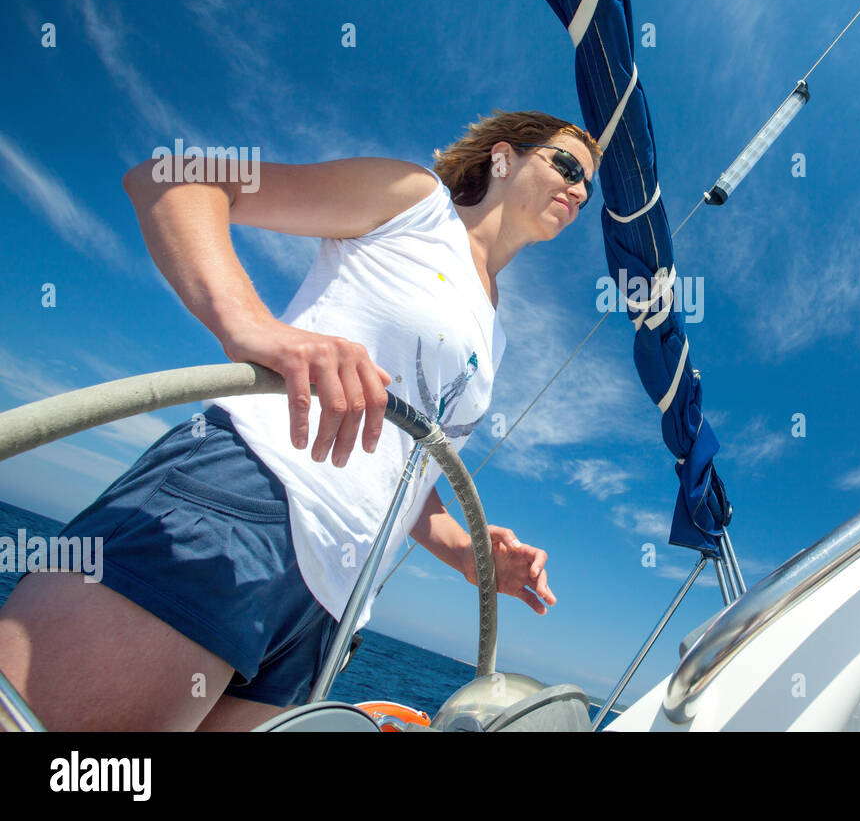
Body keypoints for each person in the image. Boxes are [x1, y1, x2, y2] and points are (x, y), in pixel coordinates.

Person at [0, 109, 600, 731]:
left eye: (590, 185)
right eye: (567, 166)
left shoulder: (494, 329)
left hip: (329, 612)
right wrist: (252, 326)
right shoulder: (417, 204)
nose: (580, 190)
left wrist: (469, 551)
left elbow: (396, 462)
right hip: (245, 504)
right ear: (503, 157)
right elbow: (174, 180)